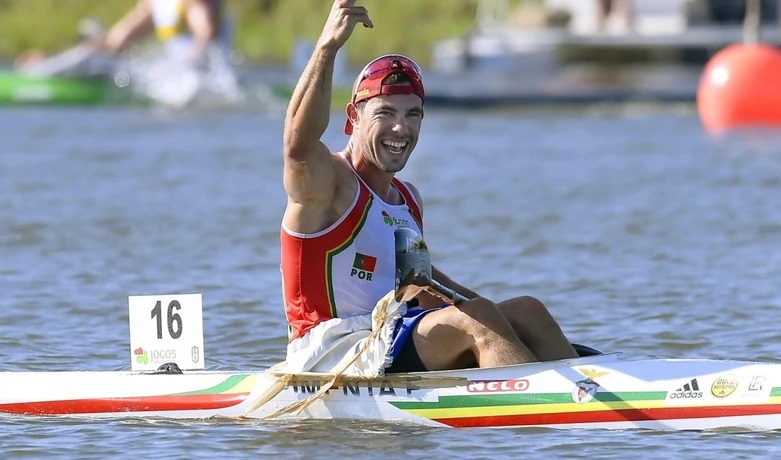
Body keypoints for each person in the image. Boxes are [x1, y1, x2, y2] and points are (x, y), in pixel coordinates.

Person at [280, 0, 578, 375]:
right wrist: (327, 48)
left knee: (526, 310)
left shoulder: (408, 199)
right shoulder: (330, 183)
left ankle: (590, 387)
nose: (400, 129)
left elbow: (420, 282)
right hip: (330, 351)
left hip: (390, 335)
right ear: (354, 116)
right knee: (477, 319)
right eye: (385, 112)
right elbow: (297, 146)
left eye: (412, 114)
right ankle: (554, 405)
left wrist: (504, 322)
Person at [14, 0, 228, 79]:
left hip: (193, 81)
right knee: (90, 53)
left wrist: (185, 68)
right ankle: (45, 67)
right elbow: (113, 42)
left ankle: (35, 77)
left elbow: (205, 35)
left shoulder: (195, 3)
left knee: (89, 58)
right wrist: (52, 56)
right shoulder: (155, 5)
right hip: (167, 79)